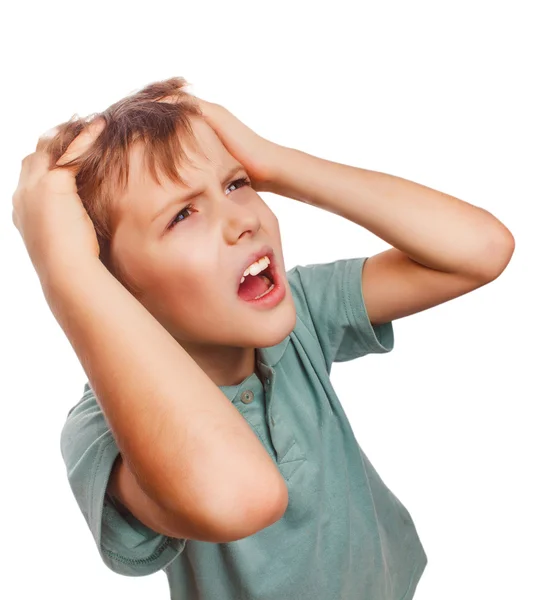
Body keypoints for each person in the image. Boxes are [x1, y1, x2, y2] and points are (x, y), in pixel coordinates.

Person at [11, 77, 515, 599]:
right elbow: (241, 496)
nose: (240, 221)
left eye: (235, 184)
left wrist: (274, 161)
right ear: (111, 288)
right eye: (183, 214)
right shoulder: (104, 431)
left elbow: (480, 250)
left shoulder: (298, 316)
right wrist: (66, 273)